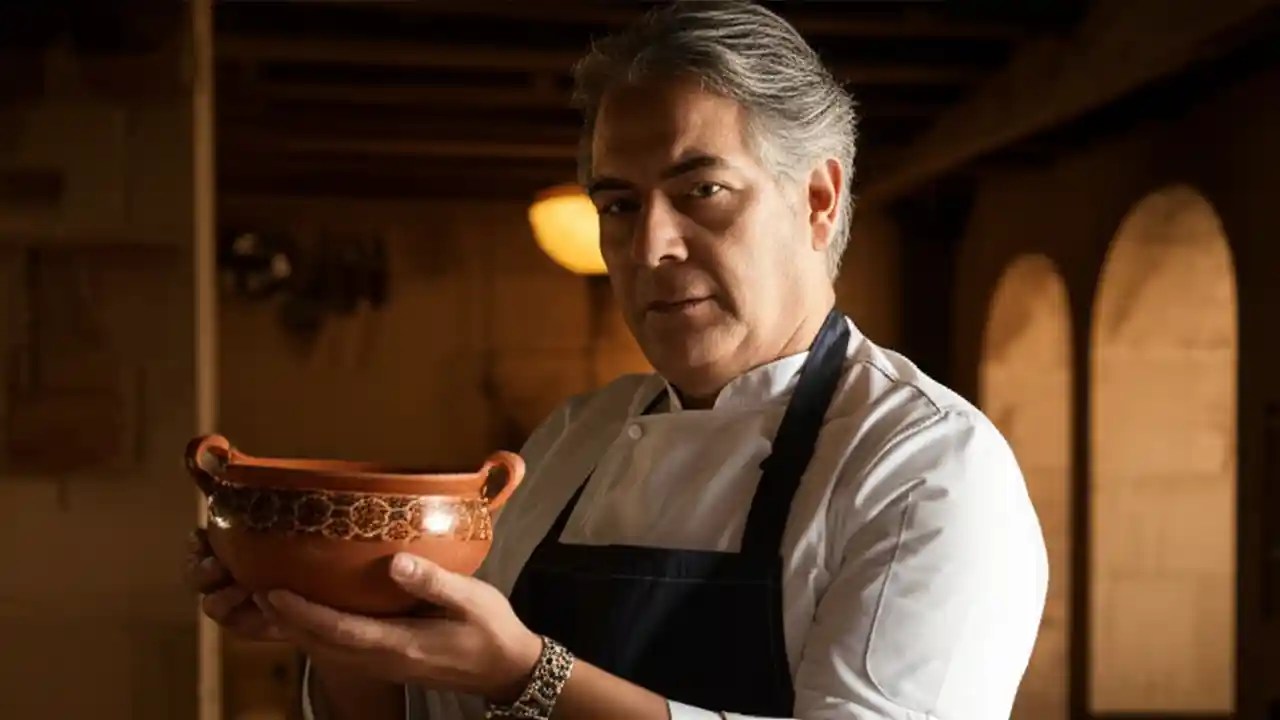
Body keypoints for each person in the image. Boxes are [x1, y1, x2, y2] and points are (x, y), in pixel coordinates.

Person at [186, 2, 1048, 718]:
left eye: (700, 191)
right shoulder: (578, 438)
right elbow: (426, 711)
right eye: (620, 204)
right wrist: (331, 625)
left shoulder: (926, 467)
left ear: (817, 200)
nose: (651, 247)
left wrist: (530, 676)